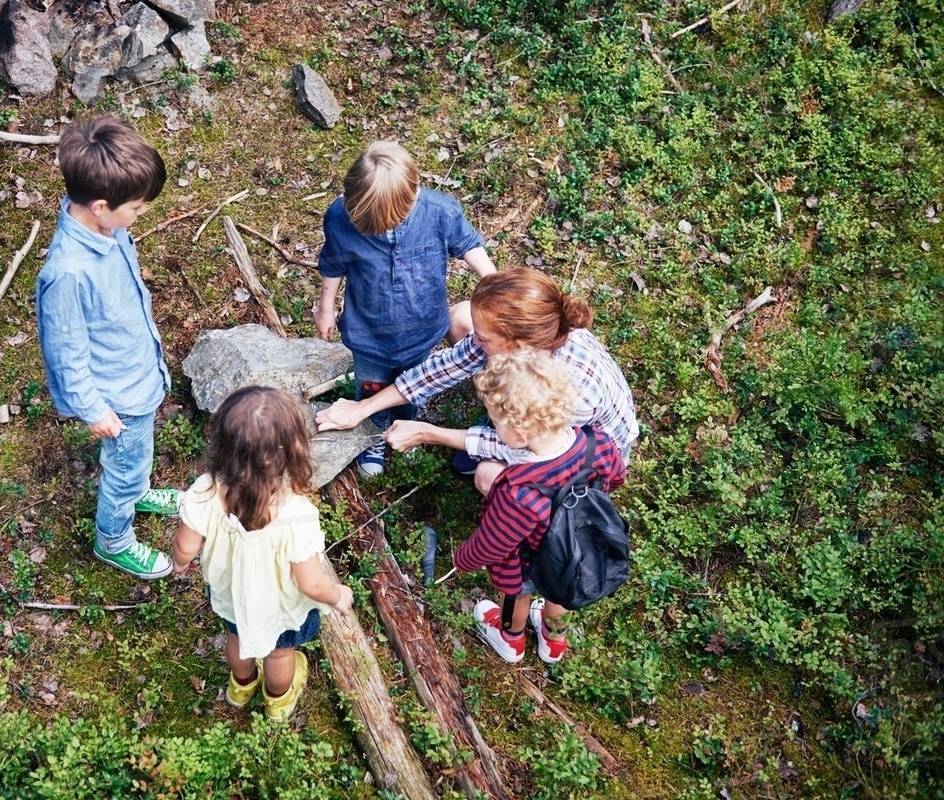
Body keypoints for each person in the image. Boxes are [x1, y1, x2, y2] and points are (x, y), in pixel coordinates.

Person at [316, 268, 638, 489]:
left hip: (578, 457)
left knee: (486, 475)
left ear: (518, 345)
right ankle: (499, 414)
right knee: (458, 318)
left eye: (484, 337)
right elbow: (439, 370)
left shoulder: (572, 392)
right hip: (533, 417)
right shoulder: (529, 340)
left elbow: (524, 447)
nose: (475, 341)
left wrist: (430, 433)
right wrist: (364, 408)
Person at [36, 115, 182, 580]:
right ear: (100, 205)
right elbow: (66, 354)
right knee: (122, 466)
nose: (138, 217)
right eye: (136, 209)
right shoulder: (68, 273)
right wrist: (93, 410)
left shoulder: (109, 231)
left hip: (137, 373)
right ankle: (114, 539)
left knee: (136, 456)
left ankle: (138, 489)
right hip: (118, 396)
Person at [170, 386, 354, 721]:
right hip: (279, 608)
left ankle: (241, 686)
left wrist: (180, 563)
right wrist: (337, 595)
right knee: (280, 653)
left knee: (237, 639)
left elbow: (185, 546)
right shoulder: (297, 514)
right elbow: (311, 583)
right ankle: (278, 701)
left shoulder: (204, 490)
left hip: (229, 595)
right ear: (292, 451)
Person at [314, 140, 496, 477]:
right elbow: (333, 263)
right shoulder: (340, 218)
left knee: (414, 382)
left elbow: (469, 245)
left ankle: (406, 425)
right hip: (368, 332)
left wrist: (496, 282)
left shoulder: (440, 212)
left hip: (423, 328)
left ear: (411, 196)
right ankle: (374, 434)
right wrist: (326, 307)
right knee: (371, 386)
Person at [453, 350, 626, 663]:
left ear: (518, 433)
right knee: (561, 589)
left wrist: (464, 559)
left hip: (531, 559)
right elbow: (615, 477)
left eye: (495, 421)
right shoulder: (597, 442)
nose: (493, 427)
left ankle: (511, 639)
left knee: (518, 592)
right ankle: (554, 641)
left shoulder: (519, 490)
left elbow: (494, 542)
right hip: (579, 549)